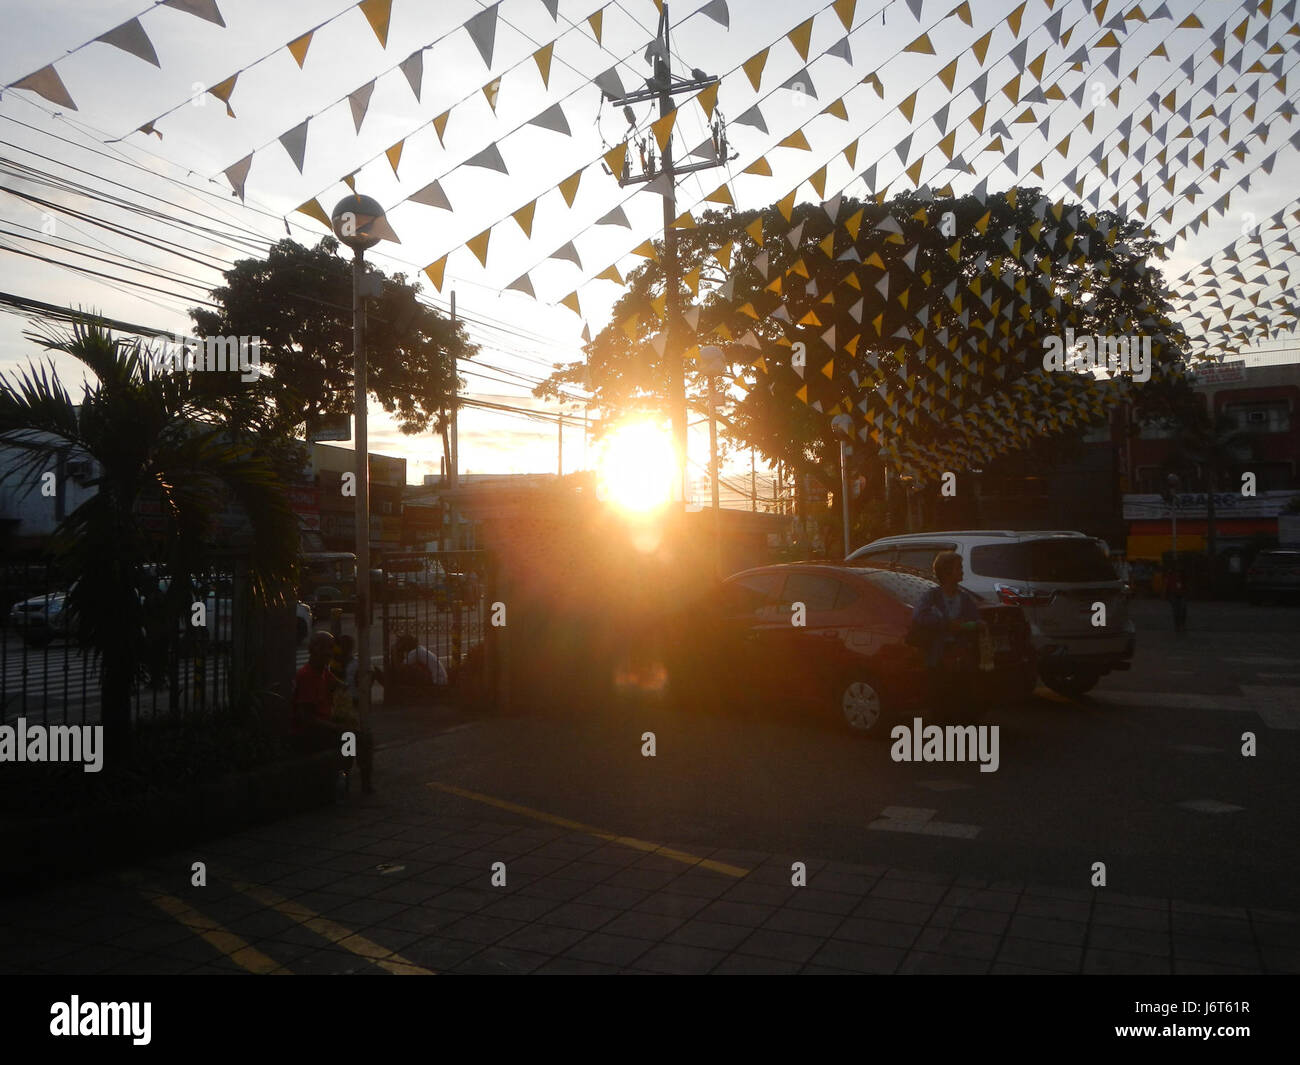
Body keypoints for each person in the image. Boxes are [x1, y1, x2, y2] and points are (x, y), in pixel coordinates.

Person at [909, 552, 986, 708]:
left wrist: (976, 625)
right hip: (938, 657)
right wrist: (945, 624)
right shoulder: (932, 596)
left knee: (961, 700)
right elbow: (919, 616)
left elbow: (975, 619)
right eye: (959, 568)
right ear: (946, 572)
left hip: (961, 658)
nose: (962, 571)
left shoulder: (964, 598)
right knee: (940, 701)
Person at [332, 635, 375, 795]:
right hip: (346, 716)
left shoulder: (356, 665)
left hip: (355, 714)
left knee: (360, 749)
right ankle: (352, 783)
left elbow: (366, 685)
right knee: (350, 752)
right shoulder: (335, 666)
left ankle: (364, 783)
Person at [1165, 563, 1188, 634]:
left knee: (1182, 610)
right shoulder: (1171, 576)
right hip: (1174, 594)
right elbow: (1168, 585)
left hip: (1181, 594)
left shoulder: (1183, 576)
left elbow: (1186, 585)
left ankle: (1181, 625)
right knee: (1176, 611)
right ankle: (1178, 625)